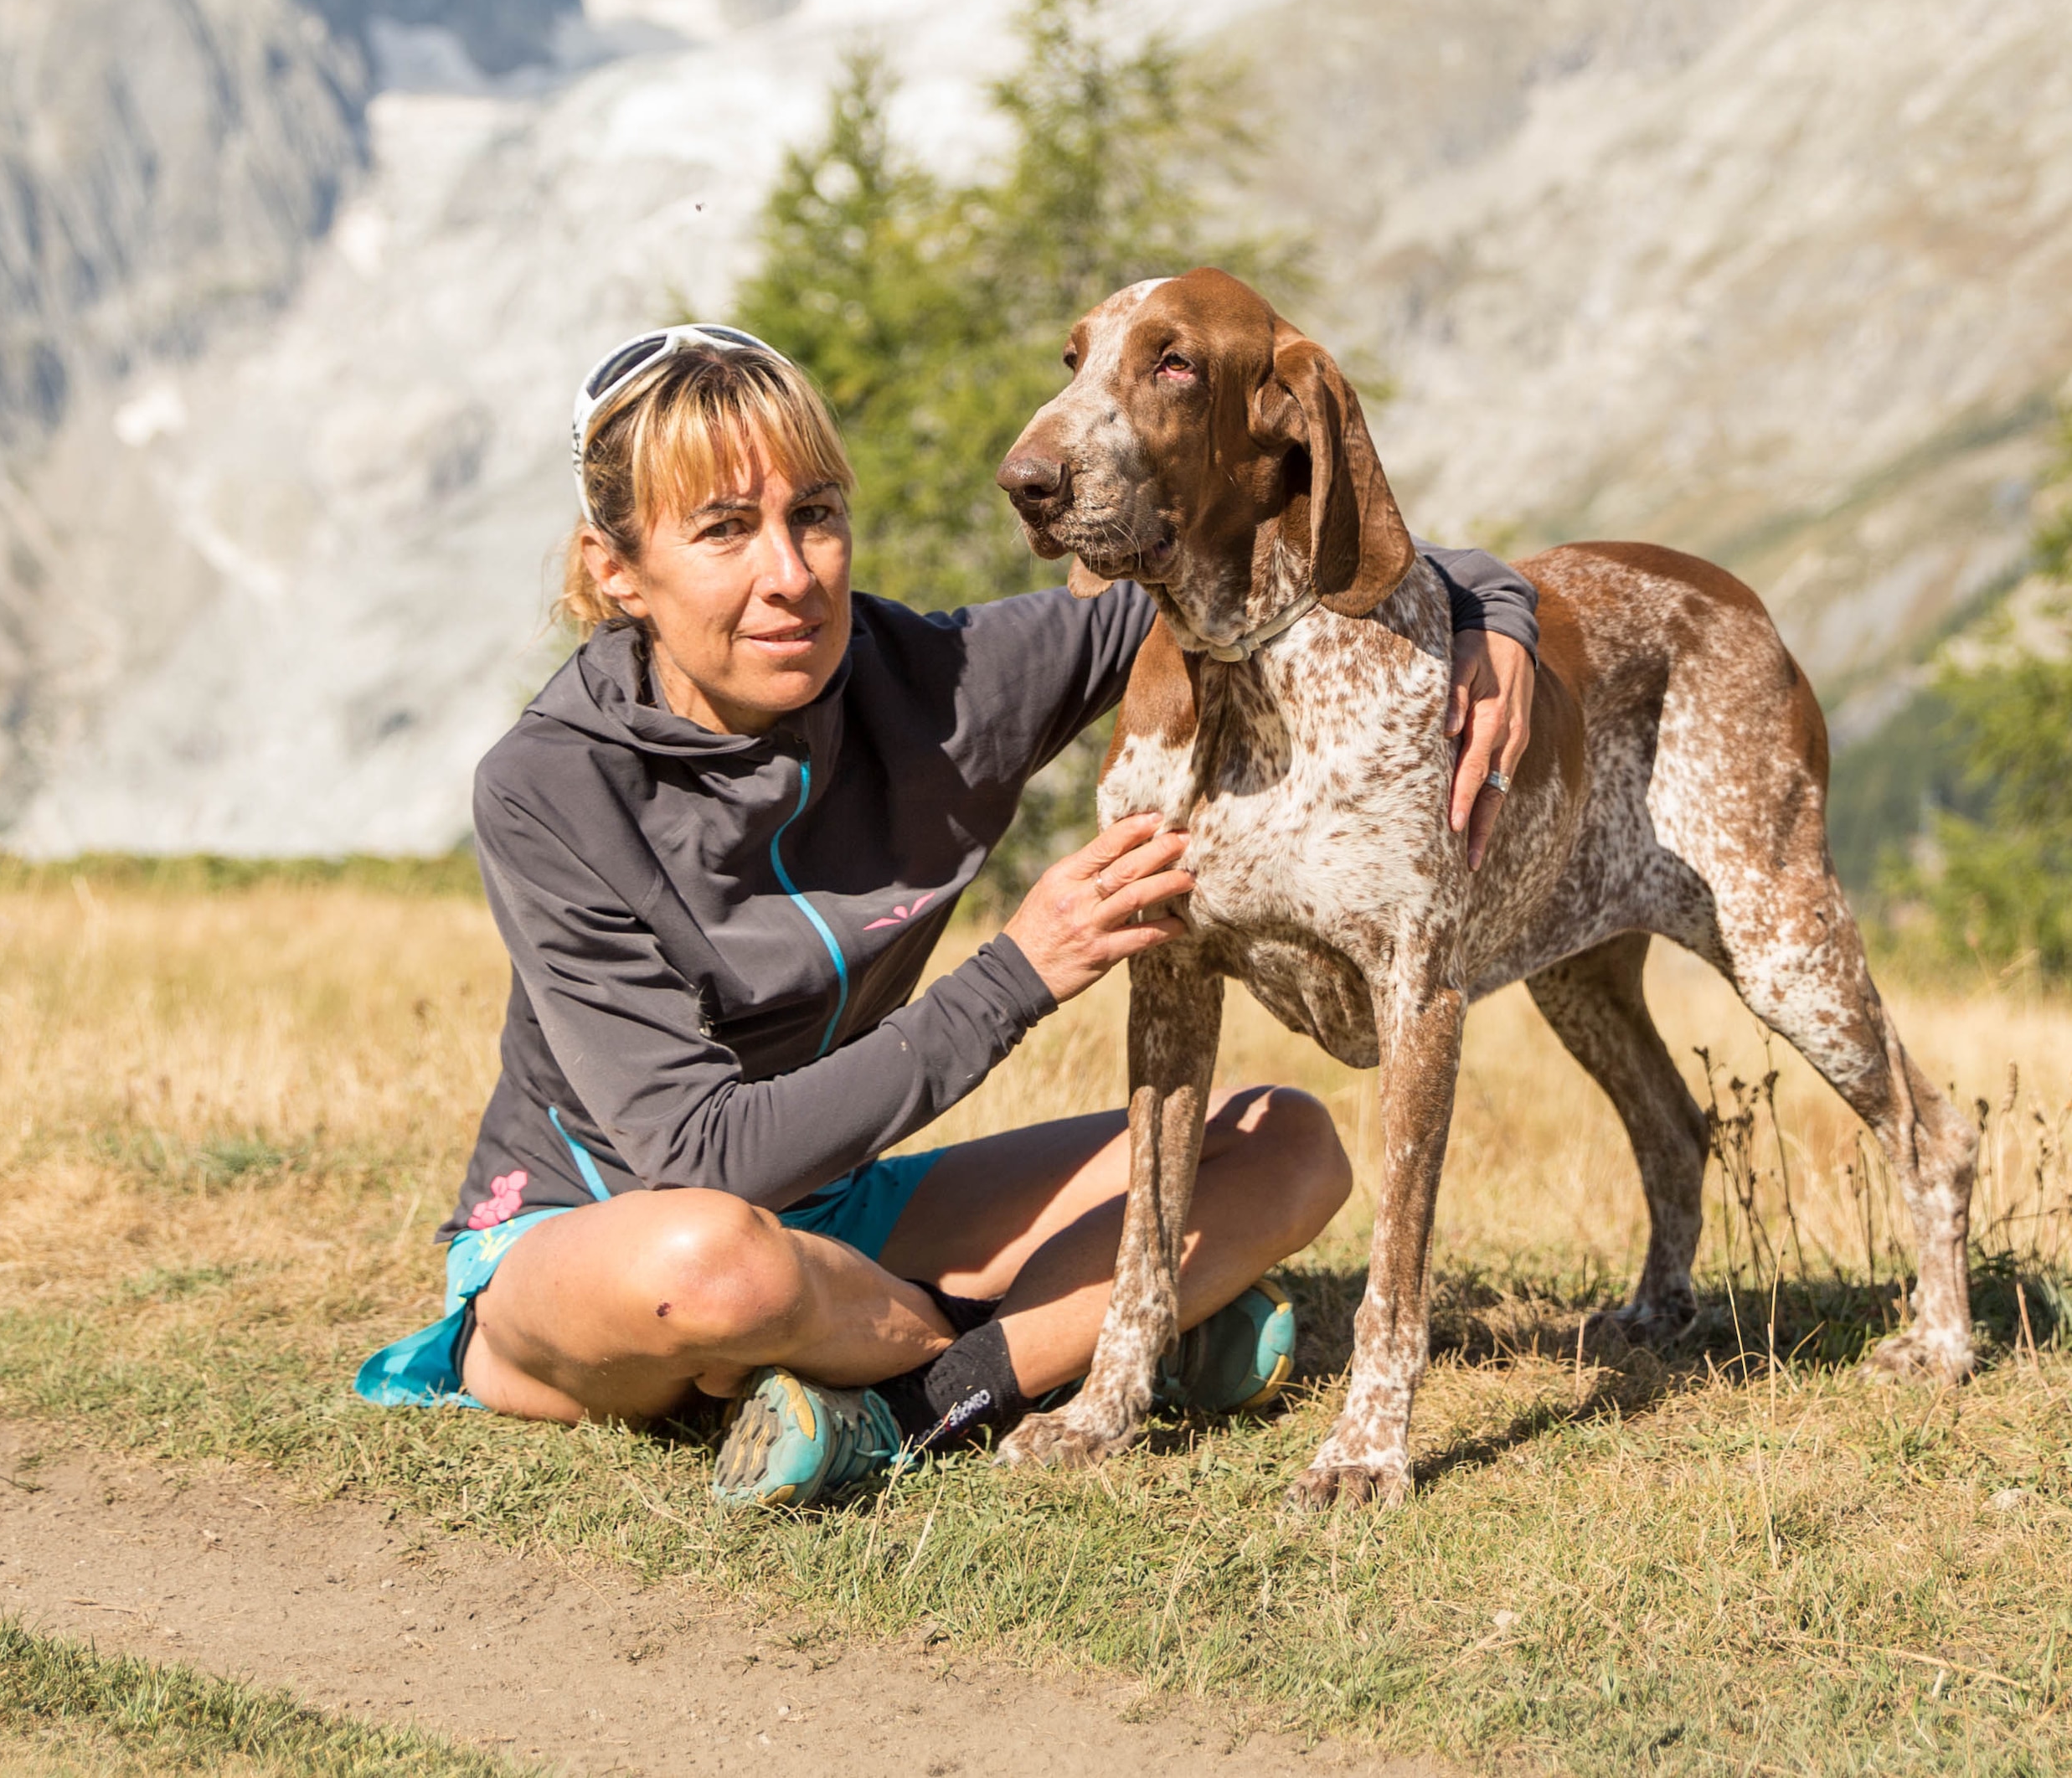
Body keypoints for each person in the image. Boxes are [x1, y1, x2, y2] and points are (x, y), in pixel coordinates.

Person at [358, 322, 1539, 1508]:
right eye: (724, 530)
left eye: (815, 512)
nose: (792, 573)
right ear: (615, 570)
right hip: (602, 1231)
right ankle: (1046, 1342)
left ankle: (912, 1404)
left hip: (843, 1205)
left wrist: (1499, 618)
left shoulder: (941, 684)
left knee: (1286, 1146)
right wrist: (1020, 970)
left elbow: (1308, 554)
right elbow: (698, 1157)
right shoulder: (547, 784)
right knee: (711, 1266)